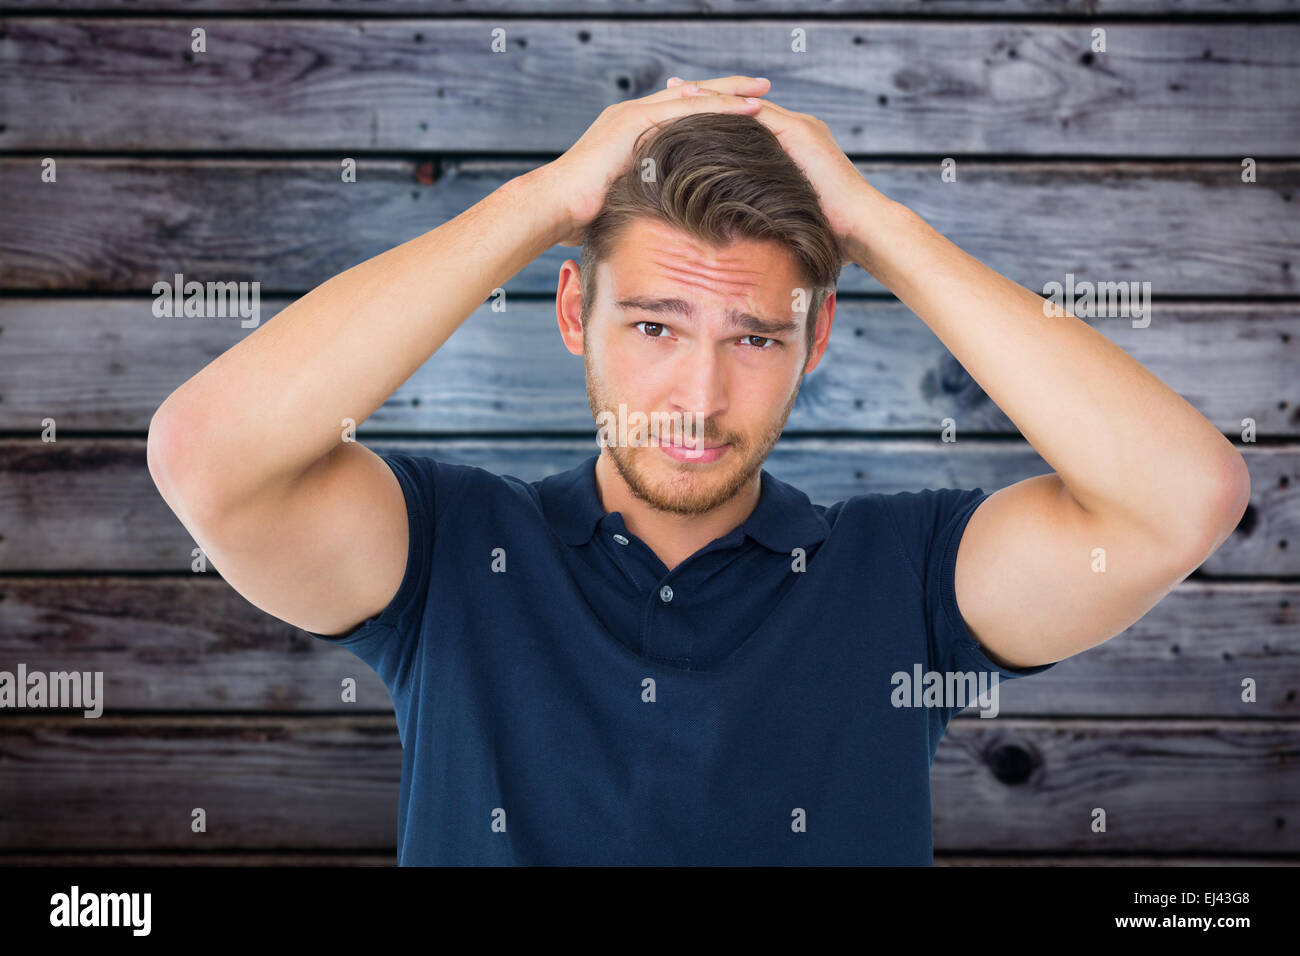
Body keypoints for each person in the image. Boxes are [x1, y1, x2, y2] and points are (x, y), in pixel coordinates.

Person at [147, 75, 1250, 865]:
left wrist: (873, 223)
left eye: (756, 338)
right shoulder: (446, 554)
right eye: (658, 326)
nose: (699, 398)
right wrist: (548, 200)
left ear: (812, 345)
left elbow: (1182, 497)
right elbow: (208, 454)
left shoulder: (902, 578)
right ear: (576, 313)